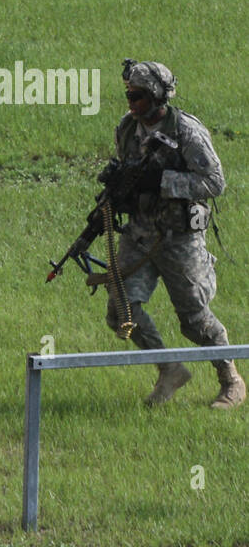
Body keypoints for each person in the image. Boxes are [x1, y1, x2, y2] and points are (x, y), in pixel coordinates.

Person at [104, 59, 244, 408]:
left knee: (194, 319)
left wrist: (164, 182)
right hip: (139, 233)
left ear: (156, 97)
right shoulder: (127, 128)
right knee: (121, 309)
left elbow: (214, 182)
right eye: (128, 95)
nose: (131, 103)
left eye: (137, 96)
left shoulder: (187, 132)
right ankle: (170, 369)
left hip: (179, 238)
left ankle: (231, 379)